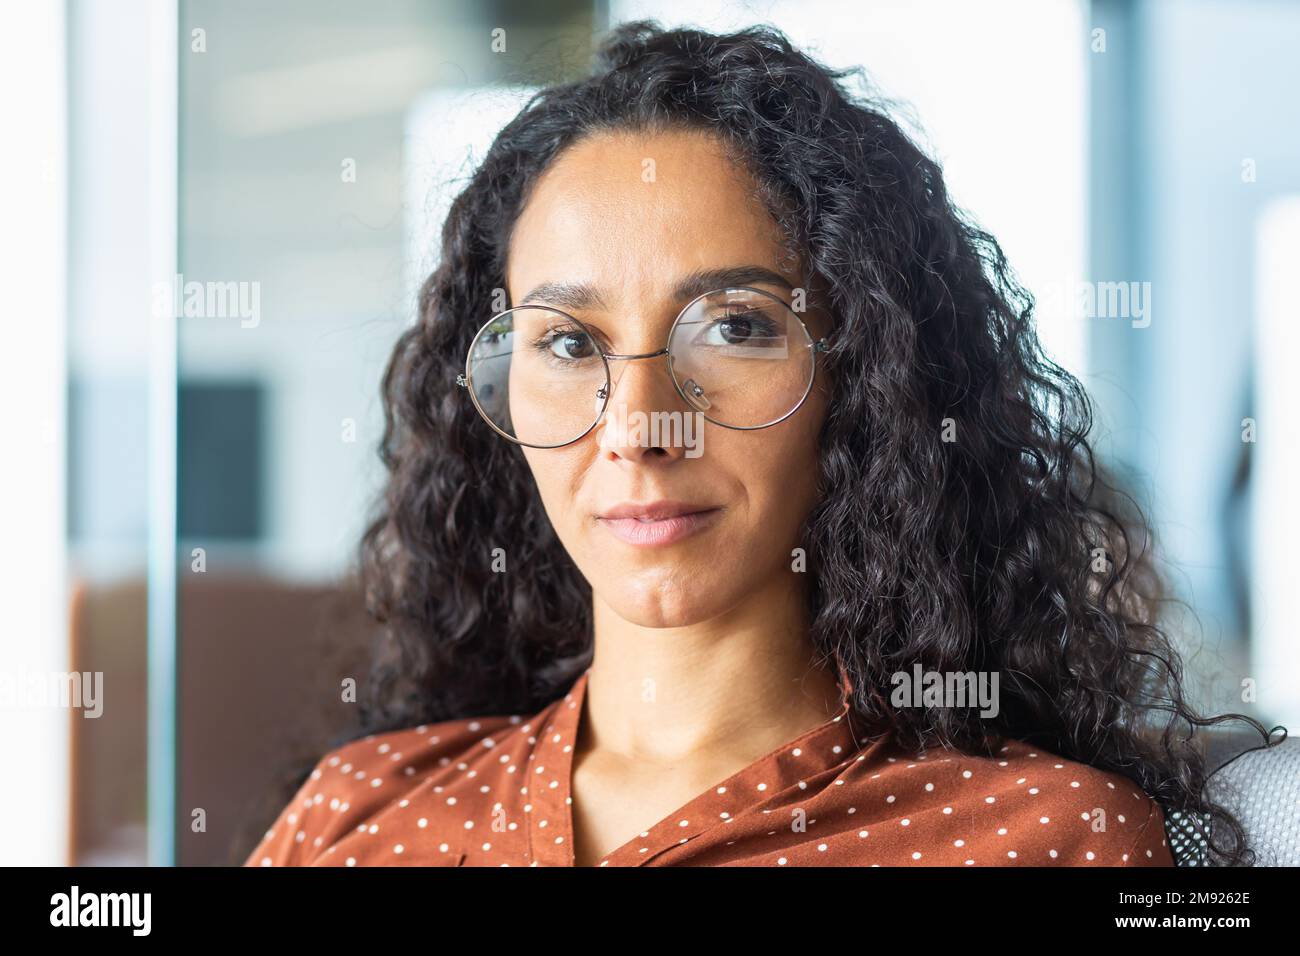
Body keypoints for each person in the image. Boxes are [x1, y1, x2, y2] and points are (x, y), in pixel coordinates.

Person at [244, 20, 1265, 867]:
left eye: (735, 325)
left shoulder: (1042, 837)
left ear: (864, 374)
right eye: (564, 341)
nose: (640, 426)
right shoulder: (360, 816)